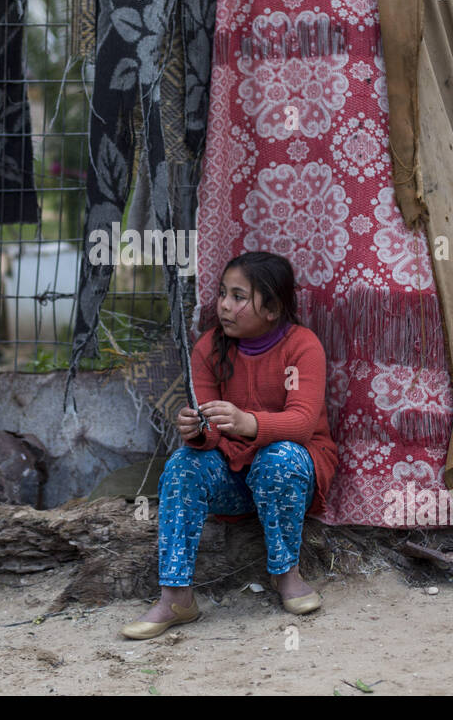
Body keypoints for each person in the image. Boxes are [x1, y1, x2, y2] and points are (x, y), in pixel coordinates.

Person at [120, 251, 339, 640]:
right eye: (222, 293)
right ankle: (176, 597)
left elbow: (303, 424)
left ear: (271, 308)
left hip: (289, 474)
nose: (224, 305)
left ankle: (286, 573)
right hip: (234, 476)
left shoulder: (301, 347)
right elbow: (210, 434)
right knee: (182, 463)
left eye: (238, 296)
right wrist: (197, 430)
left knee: (280, 458)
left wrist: (246, 421)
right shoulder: (209, 347)